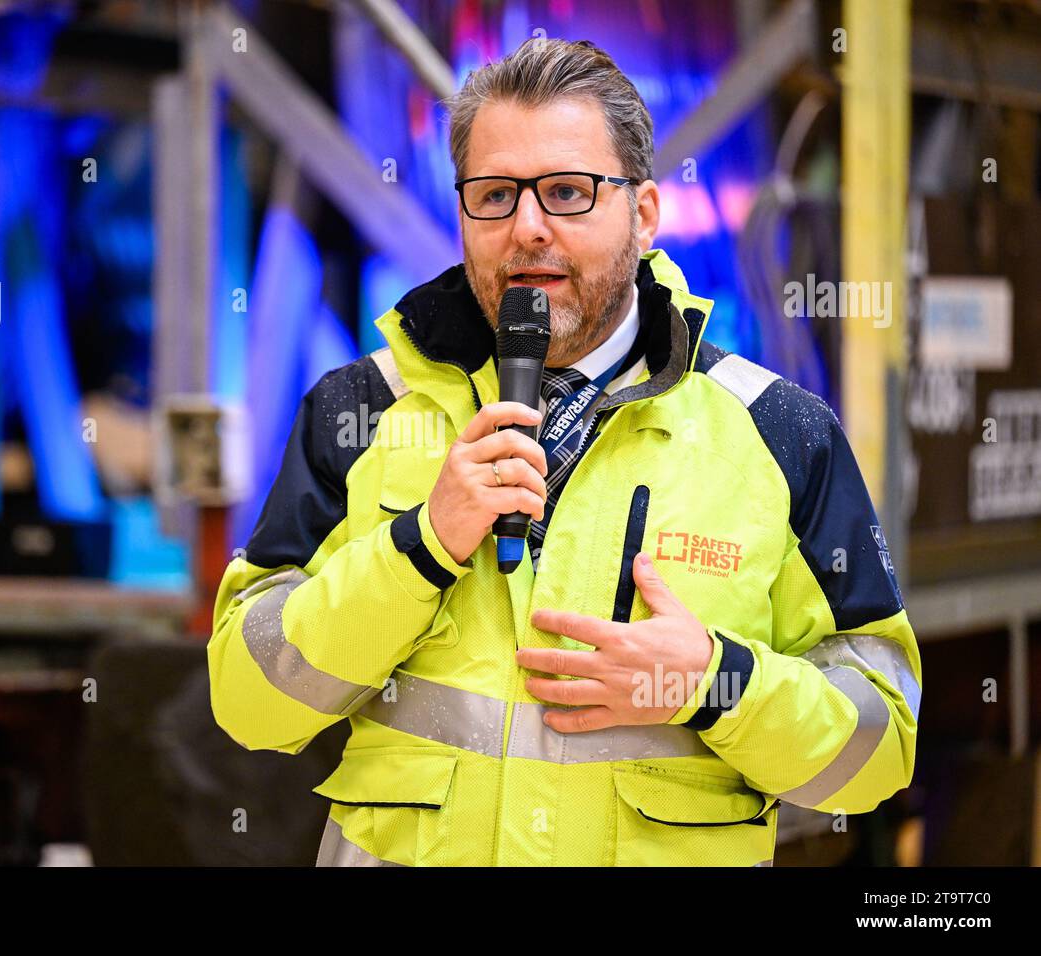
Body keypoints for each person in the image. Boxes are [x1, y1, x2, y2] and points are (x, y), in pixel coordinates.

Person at [207, 37, 920, 866]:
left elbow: (879, 753)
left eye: (570, 193)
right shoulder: (358, 410)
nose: (528, 228)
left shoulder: (781, 434)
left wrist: (714, 682)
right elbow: (248, 702)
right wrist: (417, 549)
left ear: (645, 213)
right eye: (495, 194)